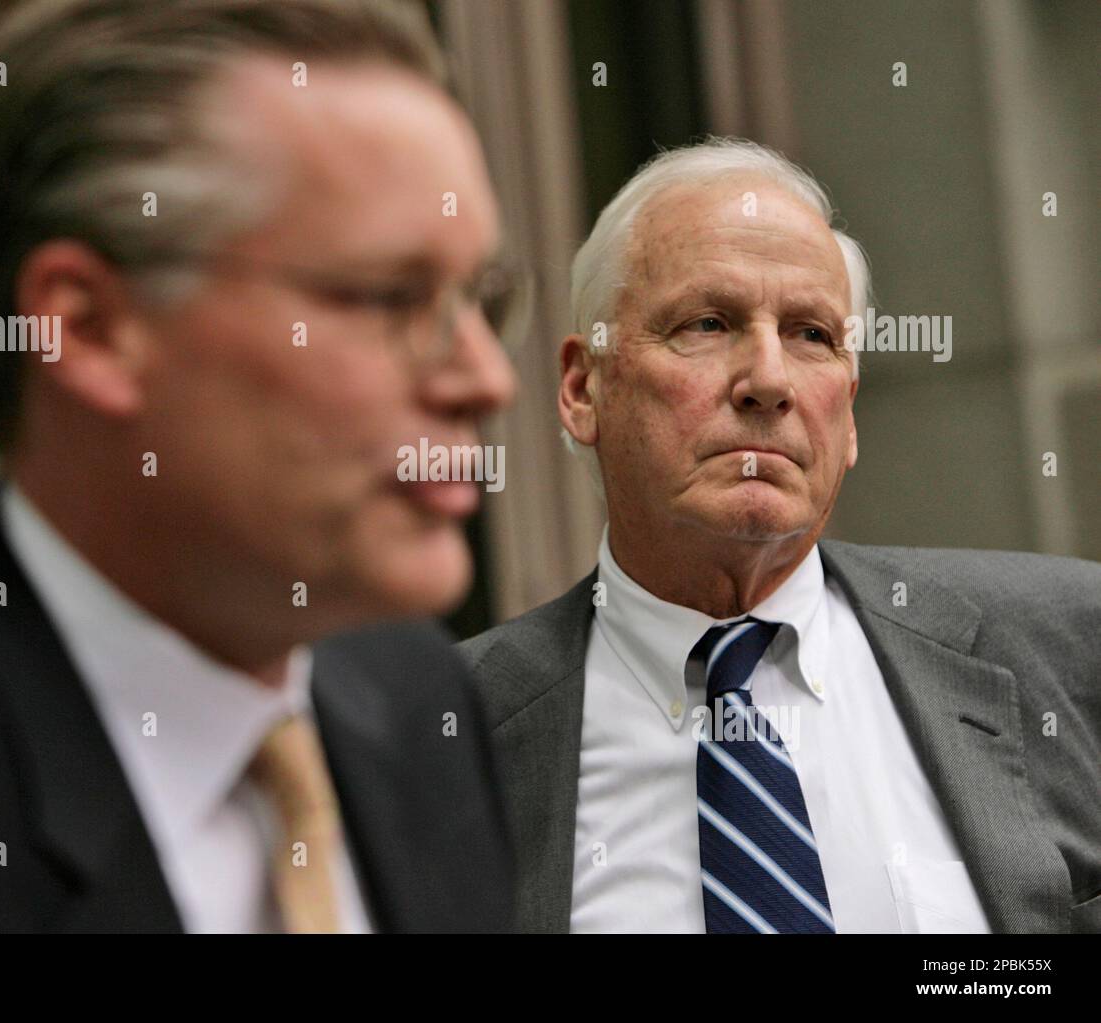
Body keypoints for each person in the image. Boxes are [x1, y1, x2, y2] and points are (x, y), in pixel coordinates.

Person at [0, 0, 520, 933]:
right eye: (390, 299)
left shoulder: (421, 697)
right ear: (89, 328)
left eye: (480, 298)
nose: (486, 377)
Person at [459, 137, 1100, 934]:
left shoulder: (1070, 649)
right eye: (707, 322)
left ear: (851, 410)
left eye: (811, 335)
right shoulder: (447, 741)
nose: (768, 380)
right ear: (584, 386)